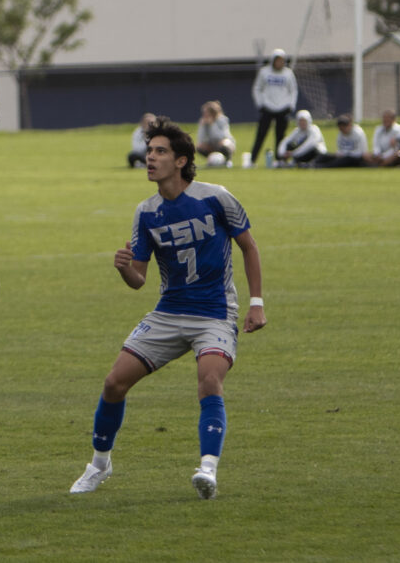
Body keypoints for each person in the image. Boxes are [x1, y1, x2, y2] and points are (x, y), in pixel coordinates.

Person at [69, 116, 266, 498]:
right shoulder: (146, 212)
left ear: (180, 160)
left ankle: (207, 469)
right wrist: (125, 269)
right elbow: (139, 280)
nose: (150, 158)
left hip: (214, 312)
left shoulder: (216, 197)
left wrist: (256, 304)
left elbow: (249, 247)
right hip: (169, 312)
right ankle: (99, 465)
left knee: (210, 379)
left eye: (160, 151)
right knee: (113, 383)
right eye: (149, 151)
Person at [248, 49, 298, 167]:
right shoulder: (264, 72)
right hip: (267, 107)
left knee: (280, 135)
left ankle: (279, 160)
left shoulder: (288, 73)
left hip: (283, 107)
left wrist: (290, 105)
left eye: (282, 61)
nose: (279, 63)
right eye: (277, 60)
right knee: (261, 134)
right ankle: (252, 160)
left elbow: (293, 90)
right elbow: (257, 88)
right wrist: (260, 104)